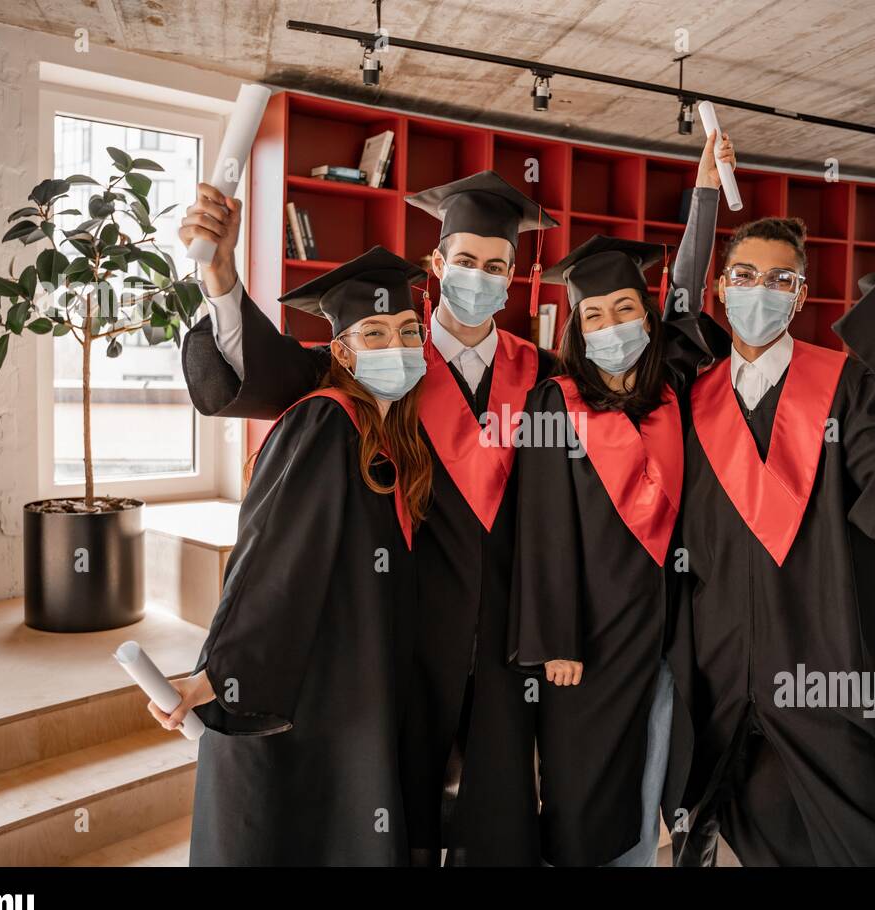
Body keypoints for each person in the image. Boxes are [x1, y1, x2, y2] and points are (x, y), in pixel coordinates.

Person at [173, 172, 558, 866]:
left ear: (514, 277)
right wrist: (220, 278)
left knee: (486, 824)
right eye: (465, 261)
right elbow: (266, 371)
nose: (480, 278)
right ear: (437, 267)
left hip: (499, 645)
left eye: (496, 266)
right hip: (397, 650)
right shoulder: (361, 378)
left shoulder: (543, 375)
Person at [667, 215, 875, 866]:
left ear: (800, 295)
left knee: (865, 848)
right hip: (717, 681)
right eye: (744, 275)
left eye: (780, 279)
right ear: (719, 286)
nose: (759, 291)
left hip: (823, 672)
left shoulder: (844, 385)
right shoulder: (689, 398)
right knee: (757, 842)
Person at [146, 247, 433, 865]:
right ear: (344, 350)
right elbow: (273, 557)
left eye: (409, 332)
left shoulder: (389, 433)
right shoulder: (327, 423)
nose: (397, 345)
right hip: (310, 683)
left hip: (352, 682)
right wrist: (223, 670)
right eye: (375, 332)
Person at [506, 131, 736, 867]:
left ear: (645, 313)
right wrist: (554, 640)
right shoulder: (556, 401)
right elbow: (541, 533)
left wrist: (704, 191)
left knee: (655, 767)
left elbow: (689, 286)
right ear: (577, 325)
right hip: (589, 640)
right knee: (583, 784)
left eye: (624, 309)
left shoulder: (671, 384)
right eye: (594, 316)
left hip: (669, 630)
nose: (612, 327)